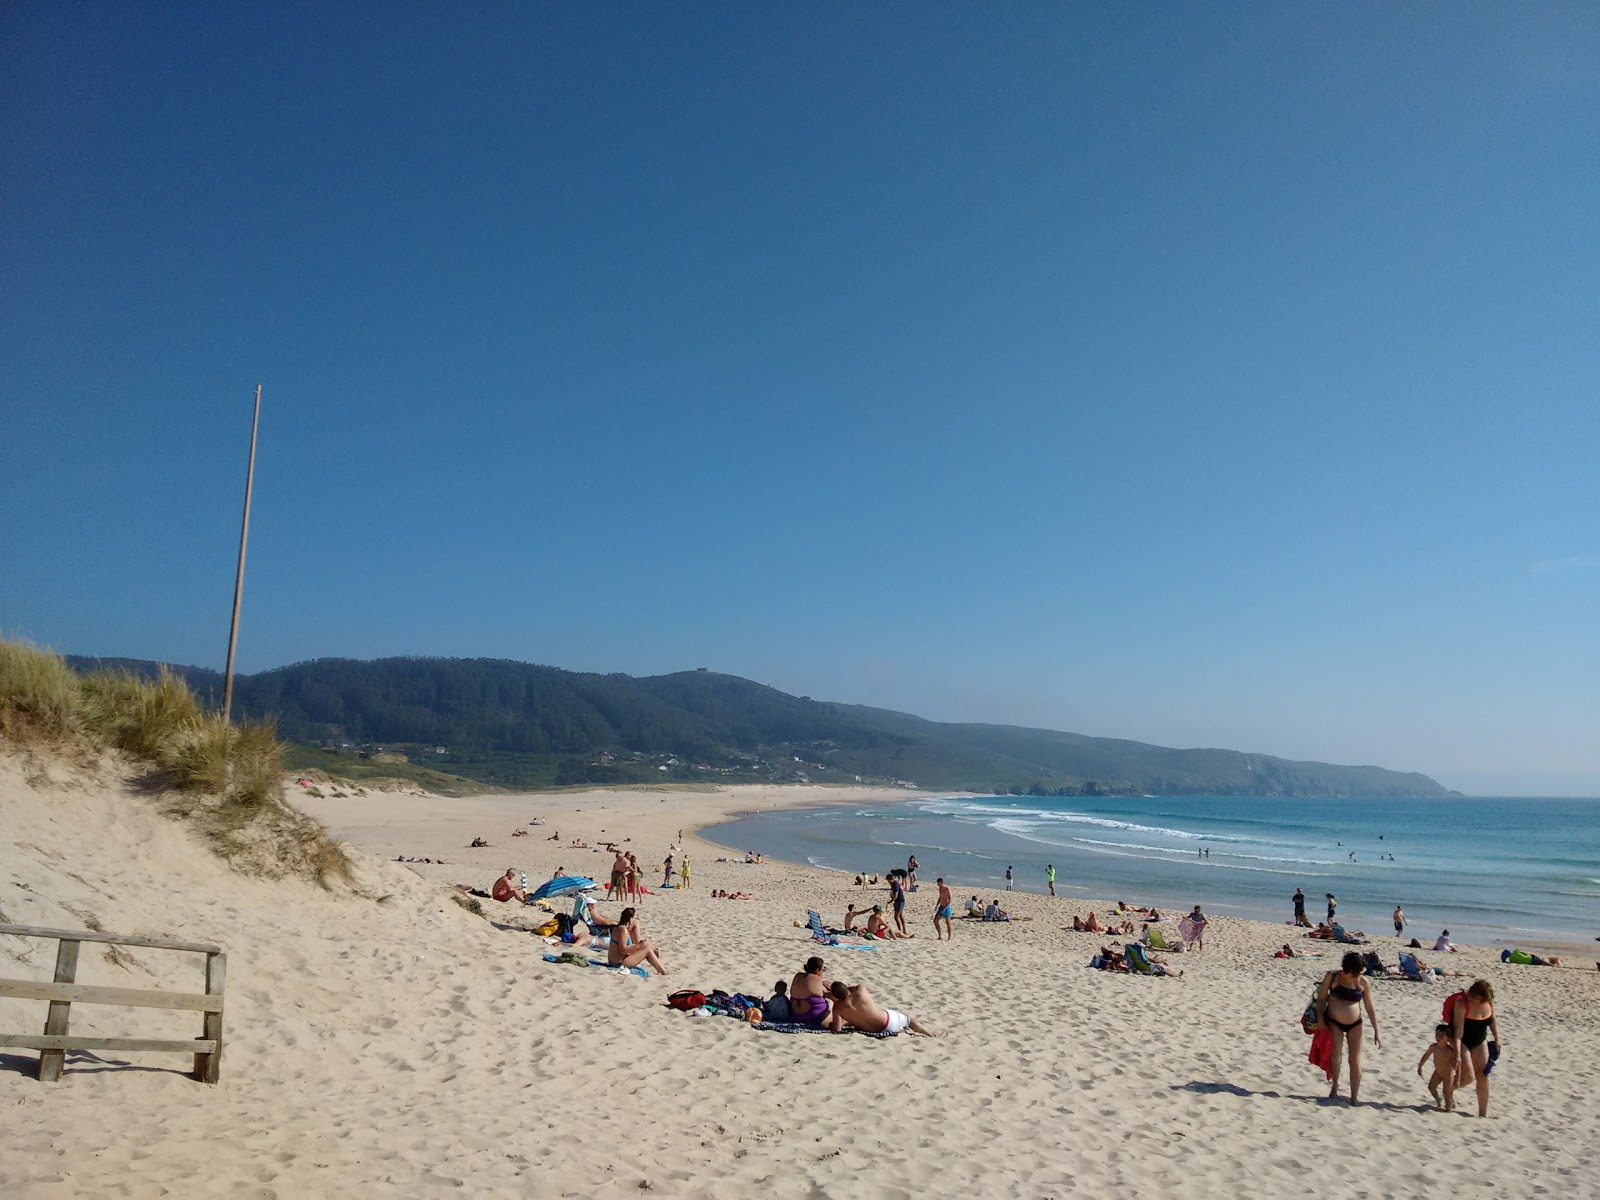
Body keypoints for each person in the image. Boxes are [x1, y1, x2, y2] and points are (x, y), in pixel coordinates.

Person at [1316, 951, 1380, 1104]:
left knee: (1355, 1060)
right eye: (1358, 972)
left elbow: (1369, 1007)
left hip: (1355, 1024)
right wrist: (1320, 1020)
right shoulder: (1332, 977)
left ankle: (1354, 1097)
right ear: (1349, 970)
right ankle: (1335, 1087)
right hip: (1334, 1021)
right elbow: (1321, 999)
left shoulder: (1362, 982)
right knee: (1336, 1057)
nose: (1360, 975)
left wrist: (1377, 1030)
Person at [1452, 979, 1501, 1118]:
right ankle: (1448, 1090)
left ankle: (1482, 1114)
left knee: (1483, 1076)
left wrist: (1497, 1038)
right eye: (1480, 999)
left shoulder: (1487, 1001)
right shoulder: (1462, 1002)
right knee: (1468, 1076)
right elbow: (1458, 1031)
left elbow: (1492, 1020)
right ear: (1474, 995)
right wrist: (1457, 1052)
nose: (1481, 1002)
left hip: (1480, 1041)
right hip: (1463, 1041)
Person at [825, 980, 935, 1037]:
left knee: (851, 1021)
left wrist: (834, 998)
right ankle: (929, 1034)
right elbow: (853, 987)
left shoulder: (837, 1008)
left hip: (875, 1030)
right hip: (888, 1021)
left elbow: (837, 1030)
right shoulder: (860, 991)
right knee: (909, 1020)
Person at [606, 908, 667, 975]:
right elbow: (622, 950)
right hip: (618, 963)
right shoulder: (622, 930)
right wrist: (639, 945)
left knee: (646, 948)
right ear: (630, 919)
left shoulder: (620, 928)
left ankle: (657, 964)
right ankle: (663, 972)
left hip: (619, 960)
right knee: (647, 950)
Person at [1417, 1023, 1459, 1111]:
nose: (1438, 1037)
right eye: (1436, 1034)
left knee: (1446, 1092)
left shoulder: (1450, 1051)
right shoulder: (1433, 1047)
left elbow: (1458, 1065)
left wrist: (1457, 1078)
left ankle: (1448, 1109)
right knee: (1431, 1087)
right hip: (1438, 1072)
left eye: (1441, 1036)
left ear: (1448, 1039)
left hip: (1448, 1074)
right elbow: (1426, 1056)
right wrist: (1420, 1066)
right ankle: (1438, 1100)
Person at [789, 956, 832, 1027]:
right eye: (823, 969)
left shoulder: (798, 976)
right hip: (814, 1017)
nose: (823, 971)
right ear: (817, 970)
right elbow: (835, 994)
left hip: (795, 1015)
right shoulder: (819, 980)